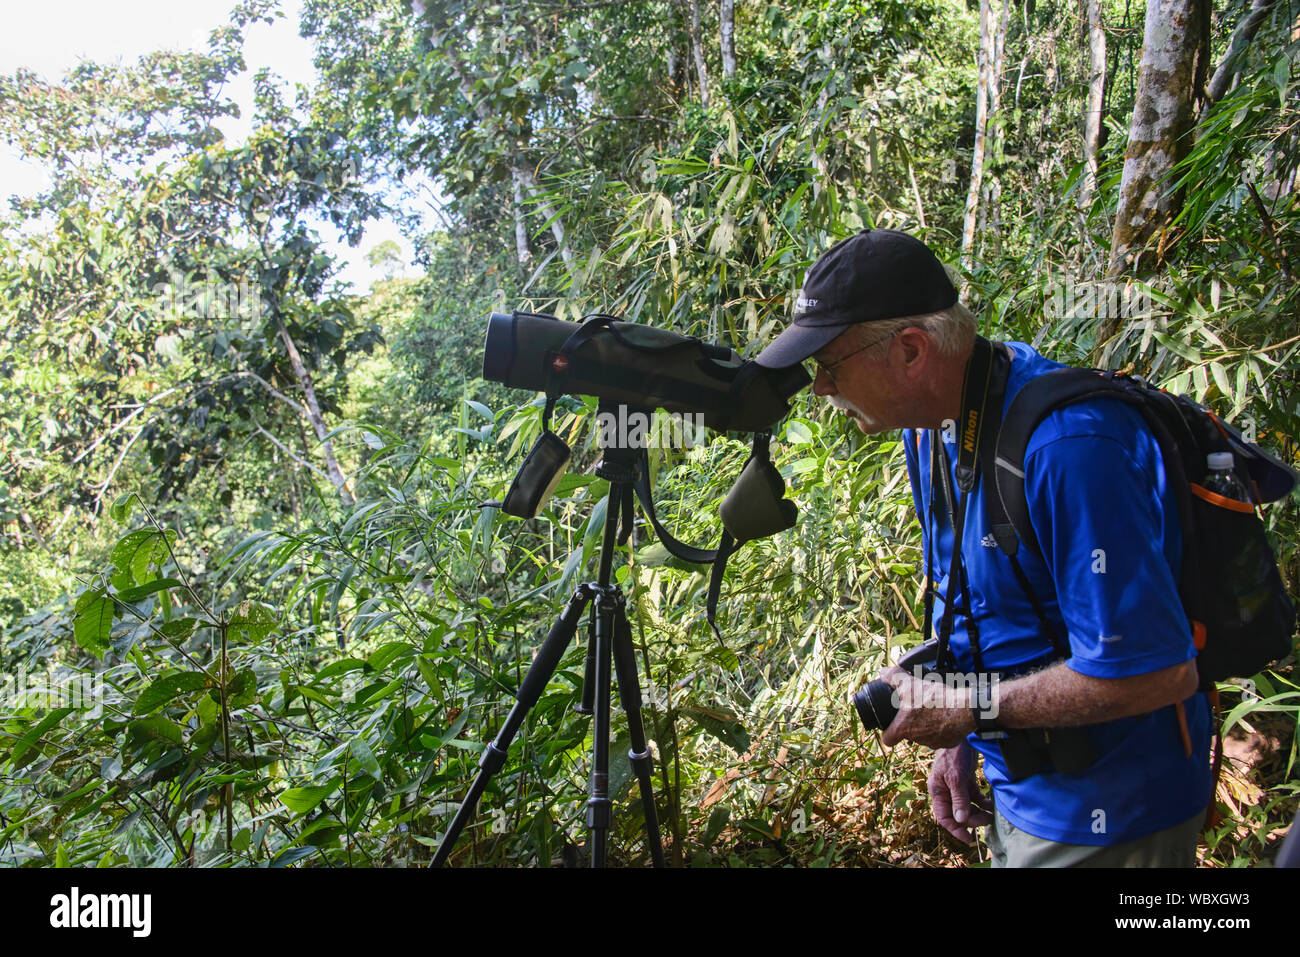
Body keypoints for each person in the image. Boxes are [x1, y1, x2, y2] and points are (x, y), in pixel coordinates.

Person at [754, 229, 1213, 867]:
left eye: (829, 366)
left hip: (1112, 813)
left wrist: (973, 710)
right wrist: (961, 737)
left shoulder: (1069, 448)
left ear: (911, 351)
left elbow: (1156, 671)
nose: (821, 390)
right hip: (1026, 790)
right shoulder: (932, 431)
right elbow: (979, 603)